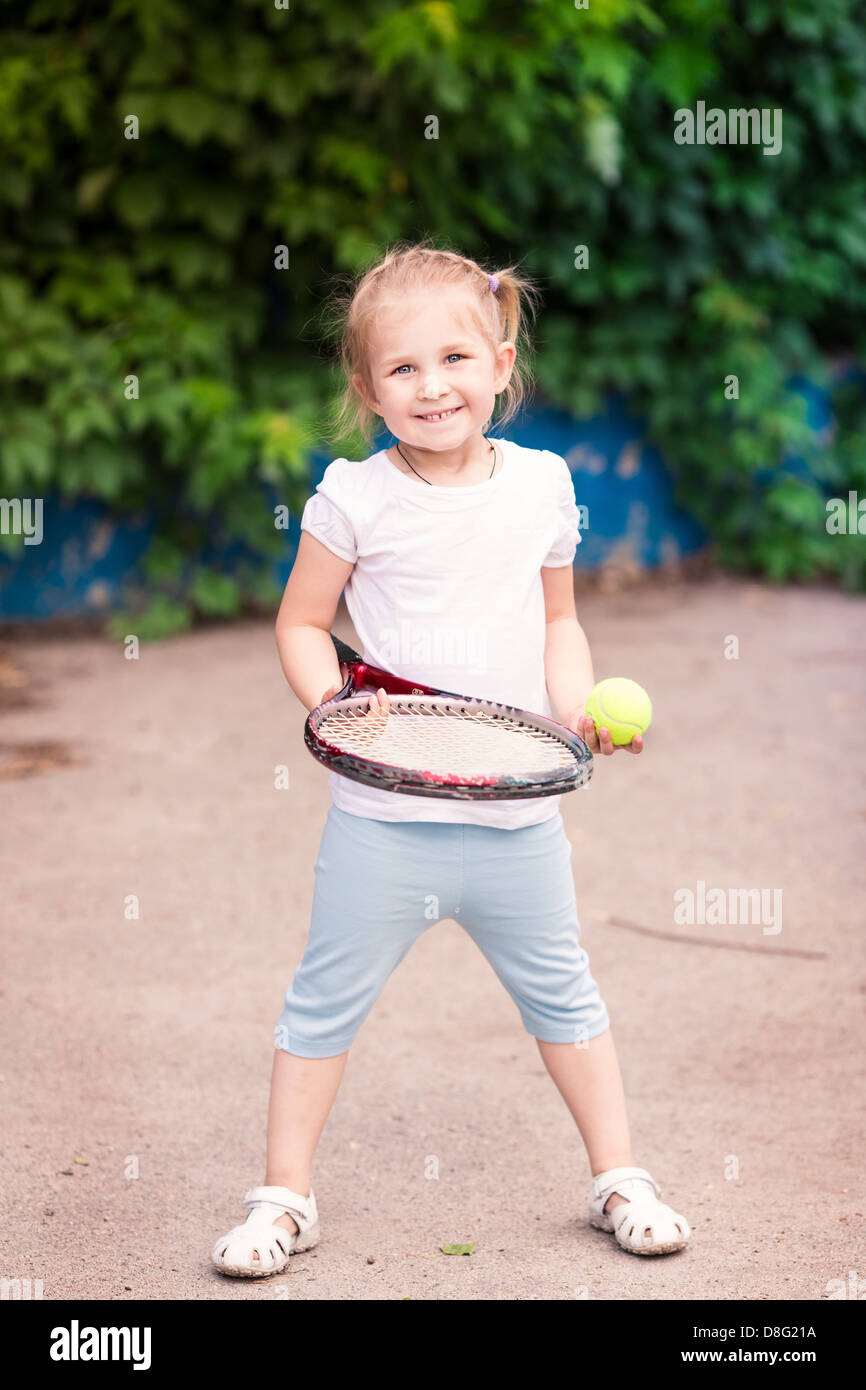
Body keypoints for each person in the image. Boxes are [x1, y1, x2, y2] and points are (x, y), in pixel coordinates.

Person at [212, 242, 691, 1276]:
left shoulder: (543, 486)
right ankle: (282, 1198)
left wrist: (575, 710)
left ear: (500, 362)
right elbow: (301, 624)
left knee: (566, 1000)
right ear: (365, 388)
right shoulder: (353, 496)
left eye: (454, 358)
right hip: (383, 821)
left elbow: (557, 623)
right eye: (402, 369)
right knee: (320, 1004)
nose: (432, 386)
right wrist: (339, 707)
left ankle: (619, 1176)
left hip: (517, 817)